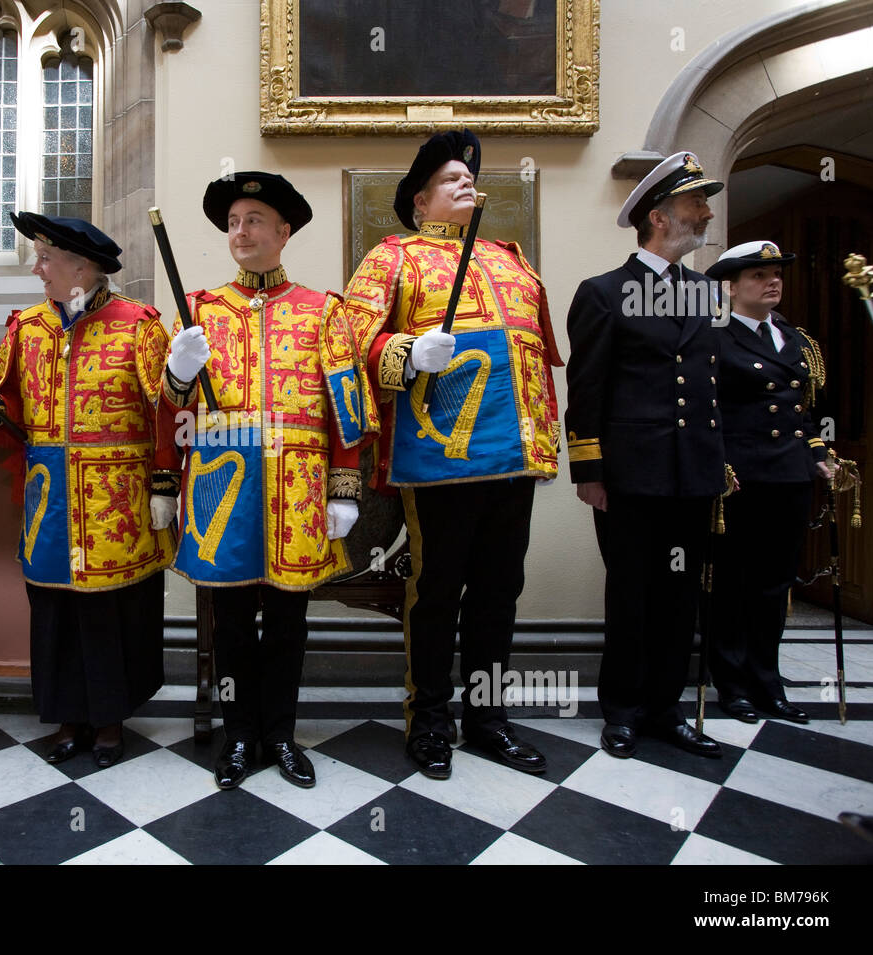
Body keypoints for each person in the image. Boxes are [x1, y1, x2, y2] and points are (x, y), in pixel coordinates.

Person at [339, 132, 562, 780]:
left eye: (470, 176)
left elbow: (537, 355)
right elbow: (351, 338)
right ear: (419, 199)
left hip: (511, 455)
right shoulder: (393, 257)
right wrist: (404, 352)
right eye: (450, 178)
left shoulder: (512, 260)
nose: (467, 183)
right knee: (436, 590)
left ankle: (489, 719)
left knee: (500, 590)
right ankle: (430, 717)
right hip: (438, 457)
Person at [159, 172, 365, 790]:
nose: (239, 232)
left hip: (297, 488)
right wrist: (177, 373)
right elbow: (172, 410)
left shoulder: (323, 310)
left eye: (253, 220)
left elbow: (346, 406)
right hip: (222, 488)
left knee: (287, 621)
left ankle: (281, 732)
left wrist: (343, 486)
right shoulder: (199, 309)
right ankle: (238, 733)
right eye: (232, 223)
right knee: (228, 619)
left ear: (284, 230)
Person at [0, 212, 171, 769]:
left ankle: (109, 719)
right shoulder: (27, 327)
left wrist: (163, 483)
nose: (37, 268)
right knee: (53, 608)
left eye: (46, 258)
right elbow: (3, 406)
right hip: (49, 496)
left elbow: (167, 410)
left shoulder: (139, 325)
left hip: (115, 497)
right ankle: (67, 716)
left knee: (108, 611)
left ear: (84, 267)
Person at [564, 150, 727, 759]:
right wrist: (589, 470)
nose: (706, 212)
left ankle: (667, 708)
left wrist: (720, 463)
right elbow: (587, 390)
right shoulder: (604, 294)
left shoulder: (706, 294)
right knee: (630, 594)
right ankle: (624, 709)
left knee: (681, 596)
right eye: (696, 204)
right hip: (631, 478)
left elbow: (714, 385)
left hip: (693, 475)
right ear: (660, 217)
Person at [706, 241, 830, 725]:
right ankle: (732, 684)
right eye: (759, 275)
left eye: (776, 273)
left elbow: (806, 410)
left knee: (774, 584)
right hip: (740, 478)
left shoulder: (795, 339)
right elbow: (704, 409)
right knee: (732, 582)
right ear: (732, 286)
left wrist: (819, 454)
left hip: (790, 475)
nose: (772, 281)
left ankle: (767, 681)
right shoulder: (713, 337)